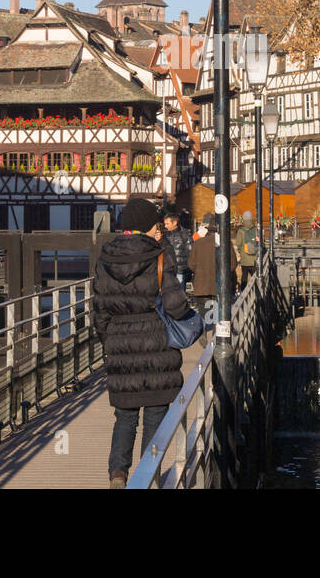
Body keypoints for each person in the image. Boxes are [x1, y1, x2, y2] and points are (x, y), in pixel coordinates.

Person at [92, 197, 191, 488]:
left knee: (124, 416)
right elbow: (174, 305)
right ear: (148, 226)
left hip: (120, 346)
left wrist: (109, 340)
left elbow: (99, 309)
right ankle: (149, 475)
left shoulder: (105, 258)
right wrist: (189, 316)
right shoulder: (159, 255)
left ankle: (118, 474)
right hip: (157, 344)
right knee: (155, 414)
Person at [188, 213, 222, 325]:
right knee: (217, 312)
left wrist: (199, 272)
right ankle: (216, 333)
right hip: (218, 284)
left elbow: (191, 264)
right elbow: (232, 264)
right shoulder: (223, 243)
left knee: (204, 311)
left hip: (201, 284)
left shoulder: (198, 243)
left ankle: (205, 332)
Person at [162, 209, 193, 290]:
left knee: (179, 296)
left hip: (180, 272)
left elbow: (191, 252)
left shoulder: (185, 235)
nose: (165, 226)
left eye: (167, 224)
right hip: (166, 271)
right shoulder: (164, 235)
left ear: (174, 223)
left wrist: (188, 270)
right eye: (165, 224)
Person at [237, 211, 257, 290]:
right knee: (254, 276)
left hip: (245, 259)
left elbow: (238, 243)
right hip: (254, 258)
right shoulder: (255, 229)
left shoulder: (241, 231)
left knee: (244, 276)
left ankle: (243, 291)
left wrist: (240, 251)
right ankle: (256, 291)